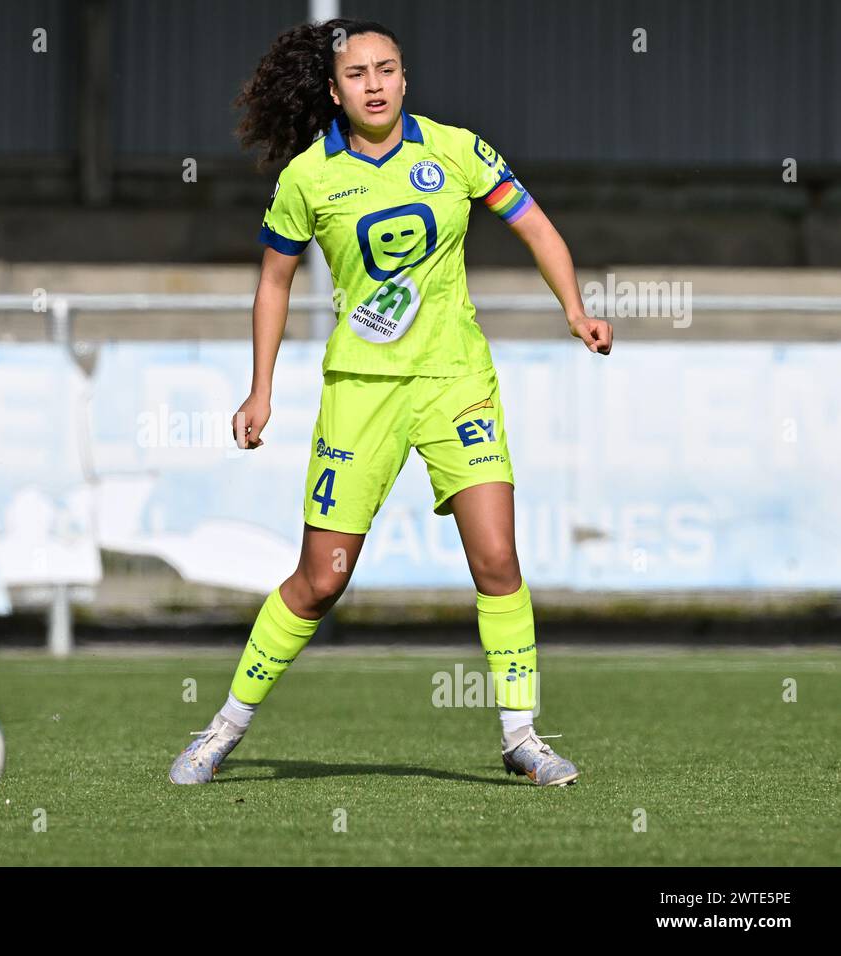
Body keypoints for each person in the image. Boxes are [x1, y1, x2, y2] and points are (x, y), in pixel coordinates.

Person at [169, 19, 612, 788]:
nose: (373, 84)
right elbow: (273, 283)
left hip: (454, 382)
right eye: (357, 75)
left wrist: (574, 308)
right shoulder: (308, 178)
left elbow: (535, 224)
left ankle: (522, 737)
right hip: (361, 396)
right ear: (333, 91)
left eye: (387, 69)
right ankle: (223, 728)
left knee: (498, 559)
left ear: (406, 79)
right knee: (321, 580)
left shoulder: (458, 150)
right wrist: (261, 388)